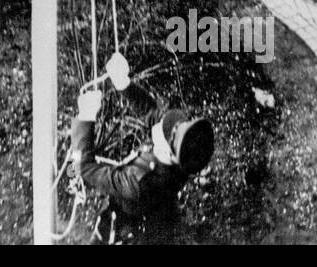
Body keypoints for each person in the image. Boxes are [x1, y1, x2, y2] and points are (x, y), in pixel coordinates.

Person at [72, 52, 216, 245]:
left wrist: (85, 117)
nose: (160, 123)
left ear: (166, 152)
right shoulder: (180, 159)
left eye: (162, 129)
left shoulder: (137, 184)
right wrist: (124, 84)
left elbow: (85, 168)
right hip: (154, 225)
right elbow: (152, 112)